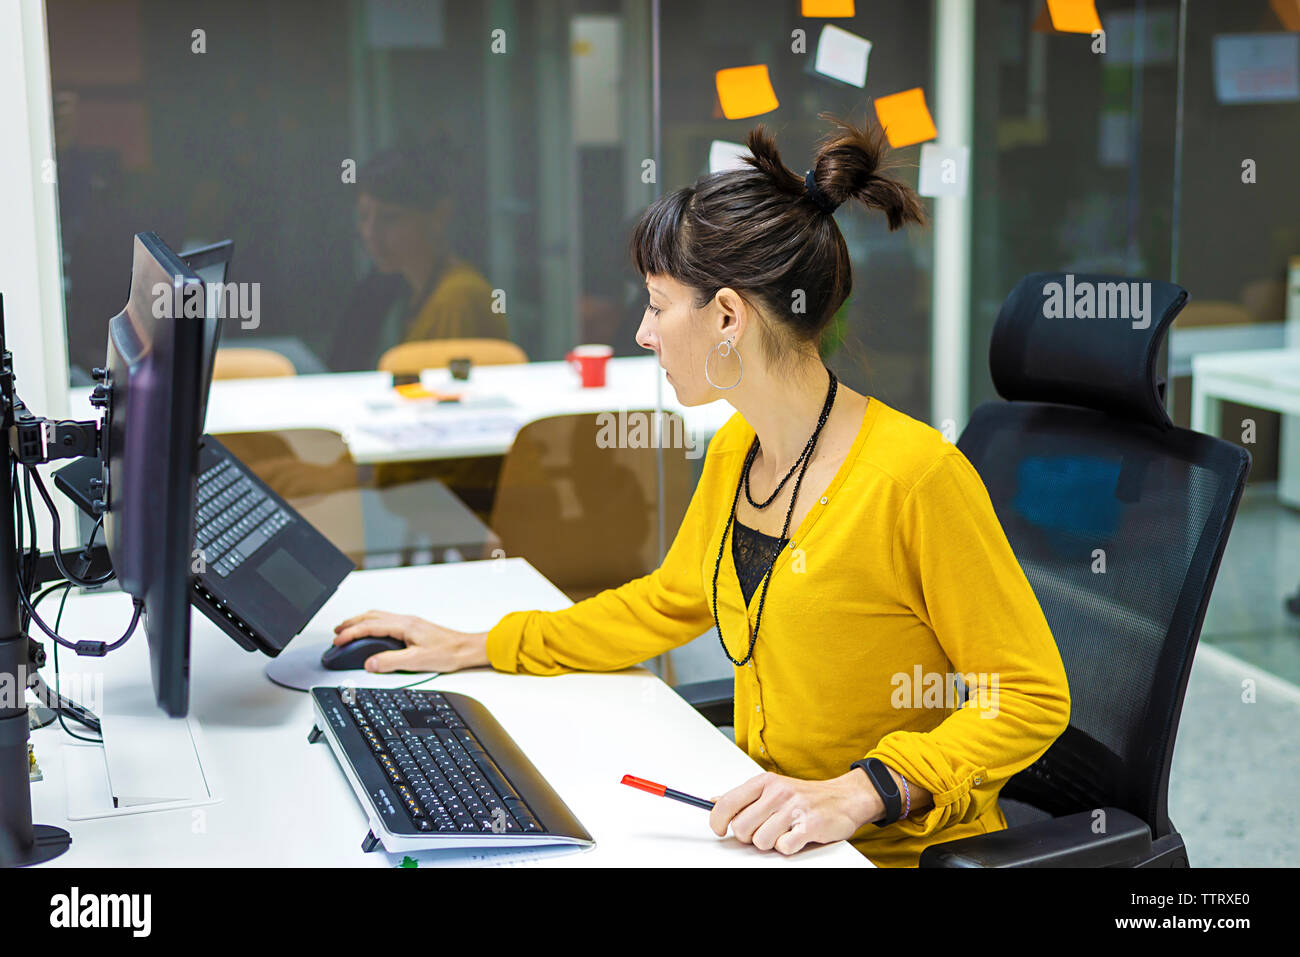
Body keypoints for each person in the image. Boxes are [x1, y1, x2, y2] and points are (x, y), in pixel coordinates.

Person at [331, 115, 1071, 867]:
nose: (644, 333)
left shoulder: (914, 478)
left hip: (887, 854)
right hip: (772, 834)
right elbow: (667, 601)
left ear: (726, 317)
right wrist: (478, 644)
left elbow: (1029, 695)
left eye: (656, 304)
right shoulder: (736, 450)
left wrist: (865, 788)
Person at [328, 144, 508, 372]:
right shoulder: (415, 289)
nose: (370, 233)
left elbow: (447, 395)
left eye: (390, 218)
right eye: (364, 217)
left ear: (440, 216)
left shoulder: (456, 300)